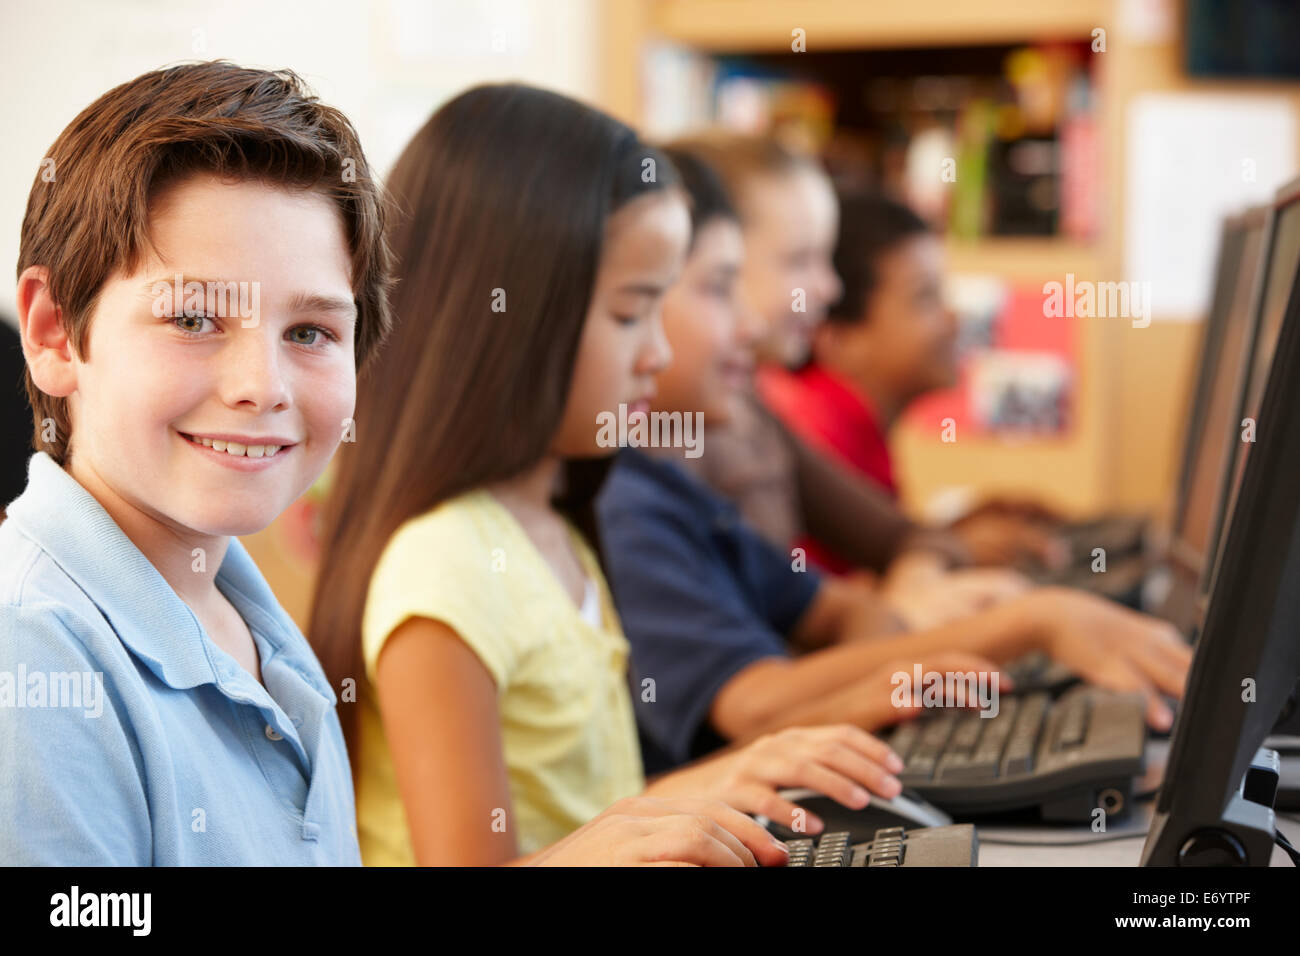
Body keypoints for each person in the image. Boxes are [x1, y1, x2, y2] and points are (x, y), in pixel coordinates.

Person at [307, 84, 936, 867]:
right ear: (512, 318)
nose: (658, 353)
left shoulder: (560, 522)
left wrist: (731, 775)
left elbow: (603, 822)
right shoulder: (446, 564)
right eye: (631, 312)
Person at [596, 147, 1193, 775]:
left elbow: (843, 605)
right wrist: (1022, 625)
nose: (823, 291)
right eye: (721, 285)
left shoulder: (693, 460)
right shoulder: (626, 499)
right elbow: (756, 703)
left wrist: (886, 649)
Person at [0, 61, 392, 864]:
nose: (262, 388)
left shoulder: (245, 615)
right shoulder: (29, 652)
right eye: (193, 318)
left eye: (310, 333)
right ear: (51, 331)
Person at [760, 191, 1067, 568]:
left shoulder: (848, 424)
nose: (953, 320)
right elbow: (825, 610)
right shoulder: (817, 430)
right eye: (925, 298)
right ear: (839, 340)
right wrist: (952, 552)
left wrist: (950, 534)